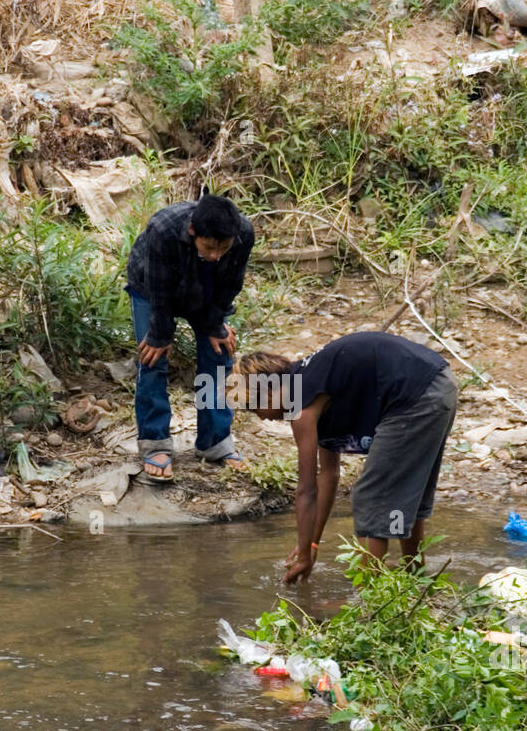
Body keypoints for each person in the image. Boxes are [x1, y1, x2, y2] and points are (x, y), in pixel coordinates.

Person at [231, 331, 458, 583]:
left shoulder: (301, 405)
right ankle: (414, 579)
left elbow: (306, 490)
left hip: (415, 394)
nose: (260, 416)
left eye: (255, 406)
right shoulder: (314, 386)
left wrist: (304, 555)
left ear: (270, 388)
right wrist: (312, 545)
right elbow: (328, 476)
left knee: (371, 496)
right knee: (407, 494)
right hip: (438, 384)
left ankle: (370, 598)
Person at [125, 193, 255, 482]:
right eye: (209, 247)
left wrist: (215, 324)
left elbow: (231, 284)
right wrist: (160, 335)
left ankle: (215, 442)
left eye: (223, 248)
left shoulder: (243, 232)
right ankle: (155, 444)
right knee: (153, 357)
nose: (215, 255)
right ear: (193, 232)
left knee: (219, 354)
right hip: (151, 286)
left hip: (205, 290)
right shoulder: (163, 228)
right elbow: (159, 293)